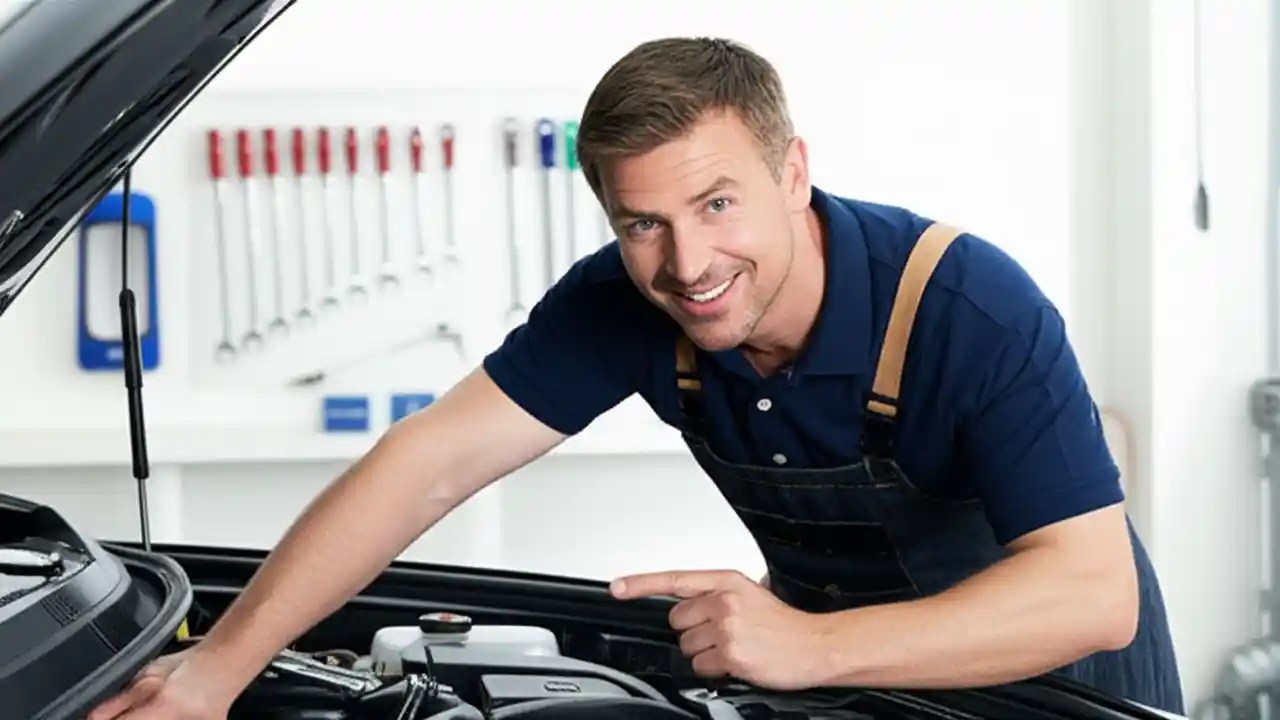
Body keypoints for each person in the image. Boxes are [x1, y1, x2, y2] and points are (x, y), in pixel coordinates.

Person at [89, 36, 1184, 719]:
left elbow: (1089, 596)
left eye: (716, 205)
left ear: (792, 169)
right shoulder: (622, 298)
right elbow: (422, 466)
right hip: (862, 690)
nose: (688, 266)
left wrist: (806, 640)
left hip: (1061, 696)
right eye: (640, 224)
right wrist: (214, 673)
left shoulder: (964, 308)